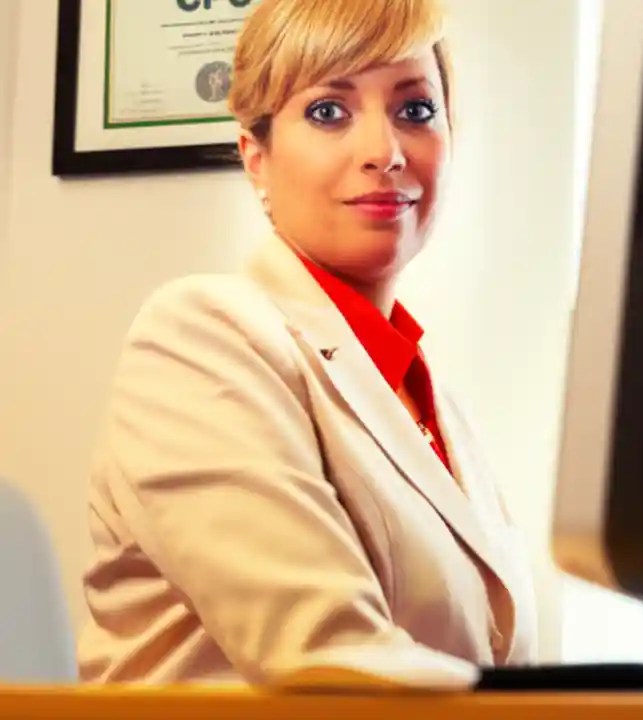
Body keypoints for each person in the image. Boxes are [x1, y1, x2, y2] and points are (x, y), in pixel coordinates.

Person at [77, 0, 537, 685]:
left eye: (415, 111)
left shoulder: (424, 384)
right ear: (255, 157)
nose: (384, 152)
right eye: (329, 111)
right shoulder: (201, 335)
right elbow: (326, 657)